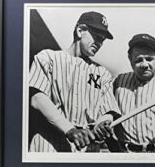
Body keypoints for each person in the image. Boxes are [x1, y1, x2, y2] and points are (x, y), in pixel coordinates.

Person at [29, 11, 121, 152]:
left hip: (87, 148)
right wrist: (70, 130)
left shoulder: (102, 73)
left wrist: (103, 123)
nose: (99, 43)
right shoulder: (47, 57)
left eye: (102, 40)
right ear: (80, 31)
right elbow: (37, 99)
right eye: (96, 36)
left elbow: (108, 111)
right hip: (49, 144)